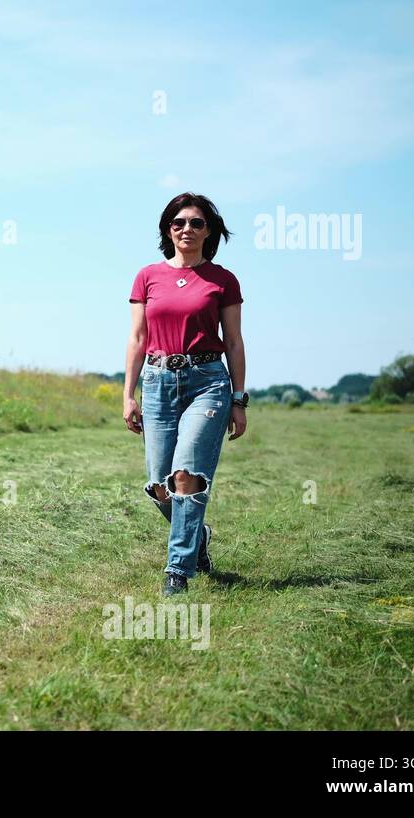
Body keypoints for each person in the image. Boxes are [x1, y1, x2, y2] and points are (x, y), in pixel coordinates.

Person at [123, 192, 248, 596]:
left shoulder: (223, 280)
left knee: (185, 476)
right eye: (178, 223)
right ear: (168, 230)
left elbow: (234, 341)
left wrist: (238, 398)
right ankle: (198, 537)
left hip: (208, 381)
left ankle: (177, 570)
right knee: (160, 486)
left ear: (209, 230)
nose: (187, 229)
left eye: (196, 222)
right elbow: (138, 338)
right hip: (158, 383)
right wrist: (128, 394)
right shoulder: (147, 276)